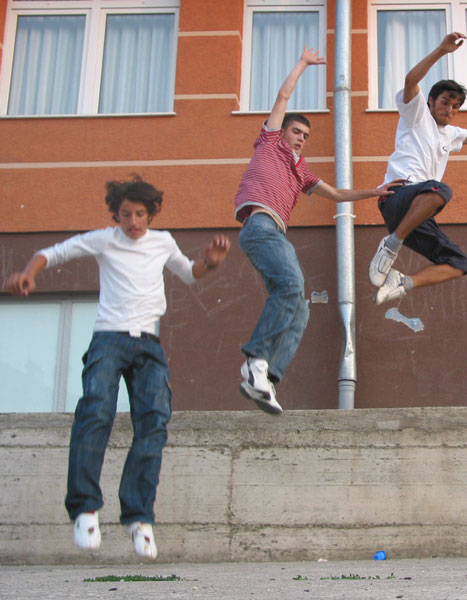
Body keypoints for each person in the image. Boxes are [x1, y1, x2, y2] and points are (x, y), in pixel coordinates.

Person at [5, 175, 231, 559]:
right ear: (116, 215)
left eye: (140, 215)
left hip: (148, 344)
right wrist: (30, 273)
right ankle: (85, 510)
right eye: (125, 215)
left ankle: (139, 518)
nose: (133, 223)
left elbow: (189, 273)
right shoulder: (103, 239)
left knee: (154, 422)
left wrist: (209, 263)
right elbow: (52, 253)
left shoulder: (163, 242)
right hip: (108, 339)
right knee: (96, 411)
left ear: (150, 214)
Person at [234, 47, 401, 414]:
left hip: (276, 234)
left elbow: (338, 193)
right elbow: (282, 96)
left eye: (305, 135)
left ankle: (267, 378)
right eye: (296, 131)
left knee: (301, 306)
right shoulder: (270, 143)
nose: (300, 139)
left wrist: (373, 192)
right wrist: (304, 64)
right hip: (259, 224)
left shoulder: (302, 170)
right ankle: (254, 363)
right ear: (283, 131)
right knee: (291, 288)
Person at [368, 32, 467, 305]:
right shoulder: (416, 114)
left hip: (417, 212)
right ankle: (391, 244)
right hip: (397, 196)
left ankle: (401, 282)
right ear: (431, 101)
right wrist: (441, 50)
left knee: (458, 262)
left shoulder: (450, 134)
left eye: (455, 106)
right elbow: (410, 81)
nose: (450, 109)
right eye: (445, 102)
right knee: (440, 190)